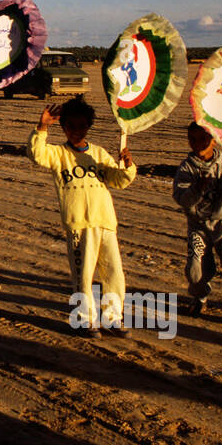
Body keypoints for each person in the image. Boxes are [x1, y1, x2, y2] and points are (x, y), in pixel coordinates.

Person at [29, 97, 136, 336]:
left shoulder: (98, 154)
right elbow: (37, 154)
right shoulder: (58, 155)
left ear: (88, 125)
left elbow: (119, 180)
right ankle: (84, 319)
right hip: (78, 225)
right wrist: (42, 127)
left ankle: (113, 318)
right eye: (71, 126)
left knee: (114, 274)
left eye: (81, 126)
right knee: (83, 275)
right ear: (64, 127)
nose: (76, 131)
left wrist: (128, 165)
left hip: (105, 222)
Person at [172, 122, 222, 325]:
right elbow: (181, 197)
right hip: (198, 225)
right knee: (196, 264)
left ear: (212, 140)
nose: (197, 144)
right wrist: (197, 189)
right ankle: (200, 298)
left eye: (203, 139)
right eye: (193, 139)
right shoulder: (186, 167)